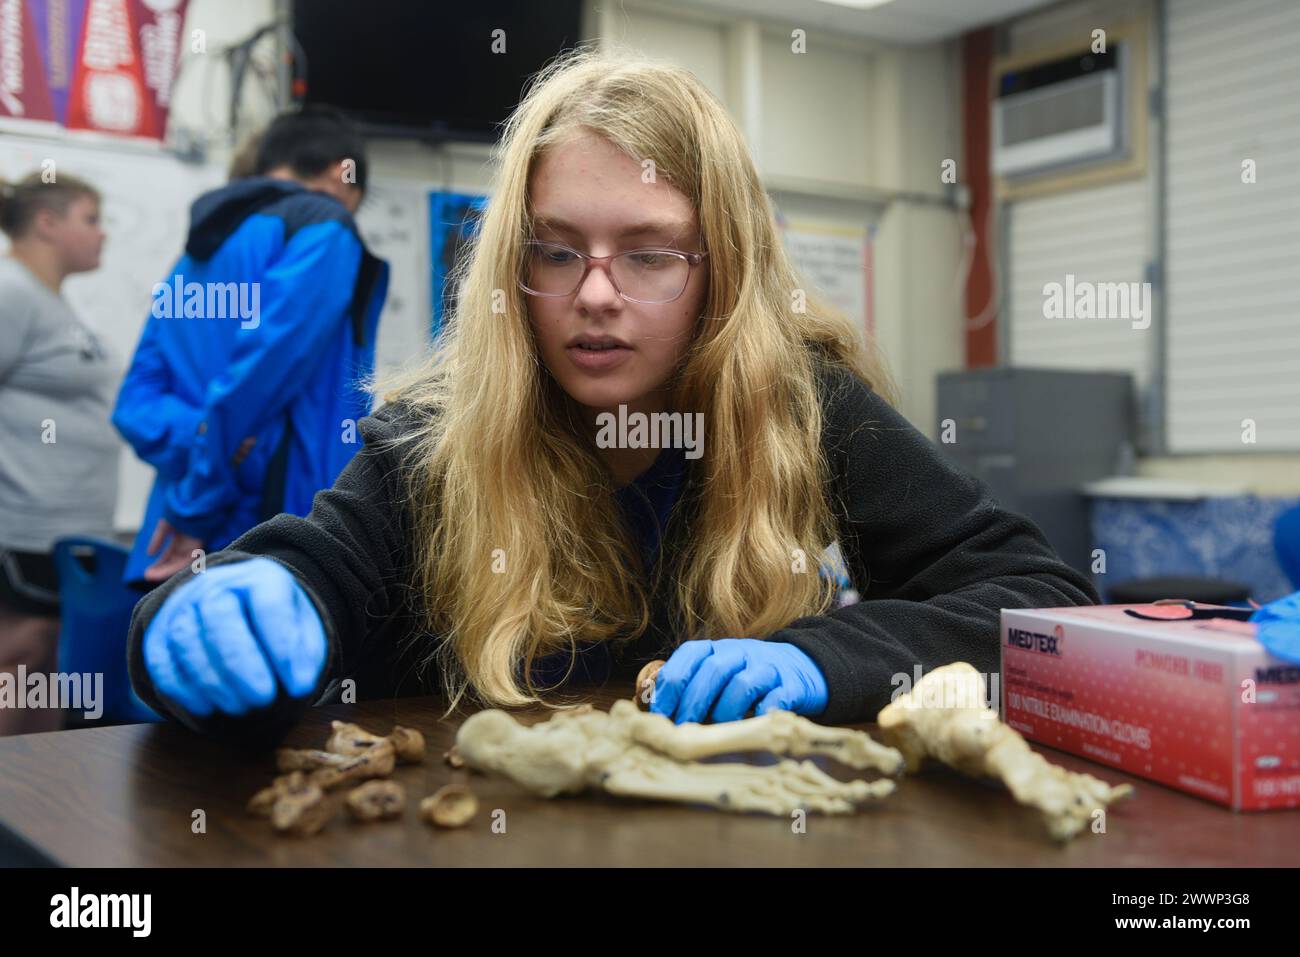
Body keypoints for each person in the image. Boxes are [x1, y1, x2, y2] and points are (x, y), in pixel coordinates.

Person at [123, 47, 1099, 747]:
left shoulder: (801, 401)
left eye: (646, 253)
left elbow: (1041, 597)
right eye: (555, 251)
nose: (594, 293)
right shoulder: (439, 435)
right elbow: (310, 572)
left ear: (722, 267)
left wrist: (824, 656)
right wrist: (198, 623)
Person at [112, 107, 388, 590]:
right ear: (338, 173)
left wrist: (202, 441)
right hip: (270, 533)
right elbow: (260, 374)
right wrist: (201, 499)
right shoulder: (325, 229)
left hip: (171, 535)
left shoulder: (196, 256)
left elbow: (134, 403)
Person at [0, 173, 117, 736]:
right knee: (20, 657)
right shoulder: (11, 290)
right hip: (23, 528)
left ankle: (33, 816)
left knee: (45, 664)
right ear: (47, 223)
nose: (103, 234)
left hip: (63, 531)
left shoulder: (49, 301)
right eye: (90, 218)